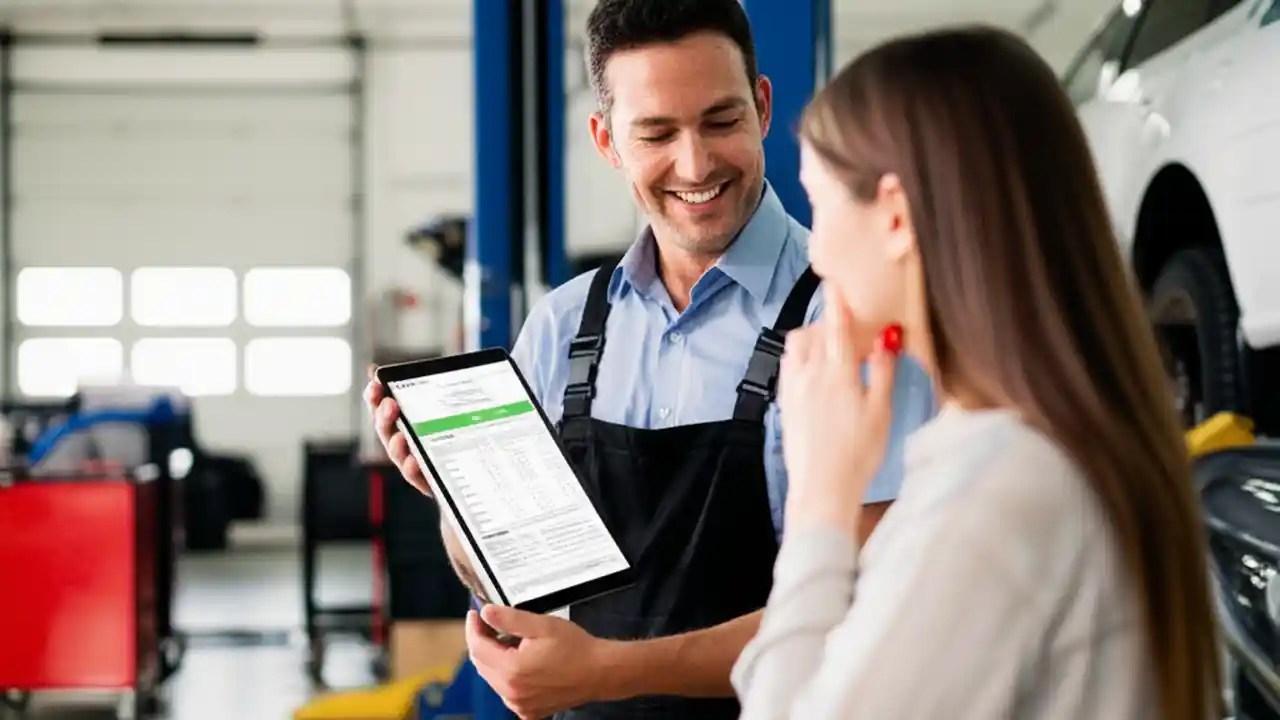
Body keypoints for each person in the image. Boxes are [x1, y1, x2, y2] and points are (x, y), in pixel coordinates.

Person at [364, 1, 936, 718]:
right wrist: (459, 499)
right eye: (657, 133)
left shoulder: (853, 318)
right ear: (607, 140)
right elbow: (515, 581)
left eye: (720, 121)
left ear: (762, 107)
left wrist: (607, 671)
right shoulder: (563, 327)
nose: (695, 164)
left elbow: (871, 603)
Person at [730, 25, 1222, 720]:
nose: (819, 257)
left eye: (821, 202)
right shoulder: (1045, 446)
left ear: (896, 215)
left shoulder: (1001, 486)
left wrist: (819, 499)